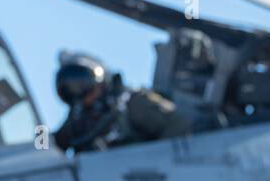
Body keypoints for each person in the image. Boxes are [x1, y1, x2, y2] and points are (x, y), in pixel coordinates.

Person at [52, 53, 191, 153]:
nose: (80, 95)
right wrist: (38, 134)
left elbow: (179, 124)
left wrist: (153, 159)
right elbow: (50, 145)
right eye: (71, 91)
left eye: (83, 86)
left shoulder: (134, 102)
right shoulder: (78, 118)